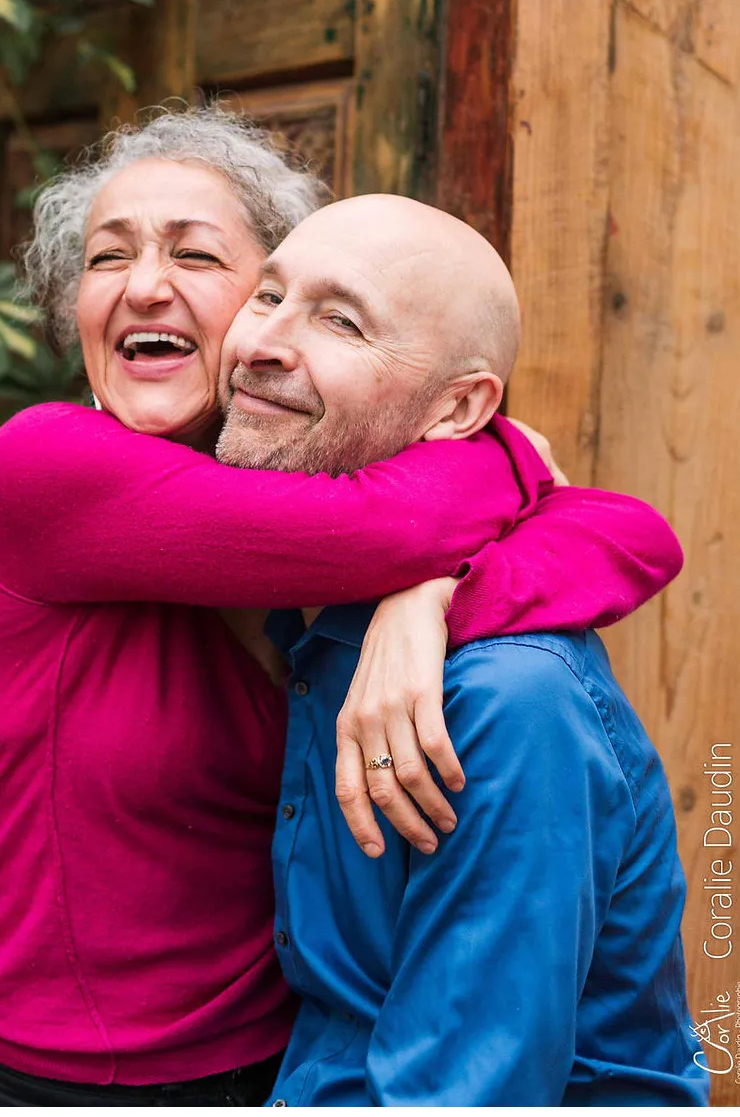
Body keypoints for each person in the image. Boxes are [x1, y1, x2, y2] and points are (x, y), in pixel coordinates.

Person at [0, 110, 683, 1107]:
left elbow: (631, 534)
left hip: (276, 1064)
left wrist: (432, 599)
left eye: (198, 255)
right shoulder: (51, 464)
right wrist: (481, 483)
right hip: (71, 1075)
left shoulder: (305, 518)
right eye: (106, 258)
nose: (144, 283)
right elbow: (417, 516)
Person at [210, 192, 707, 1106]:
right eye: (269, 296)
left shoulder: (504, 702)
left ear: (459, 408)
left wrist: (440, 591)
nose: (263, 344)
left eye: (341, 322)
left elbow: (465, 1092)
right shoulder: (304, 617)